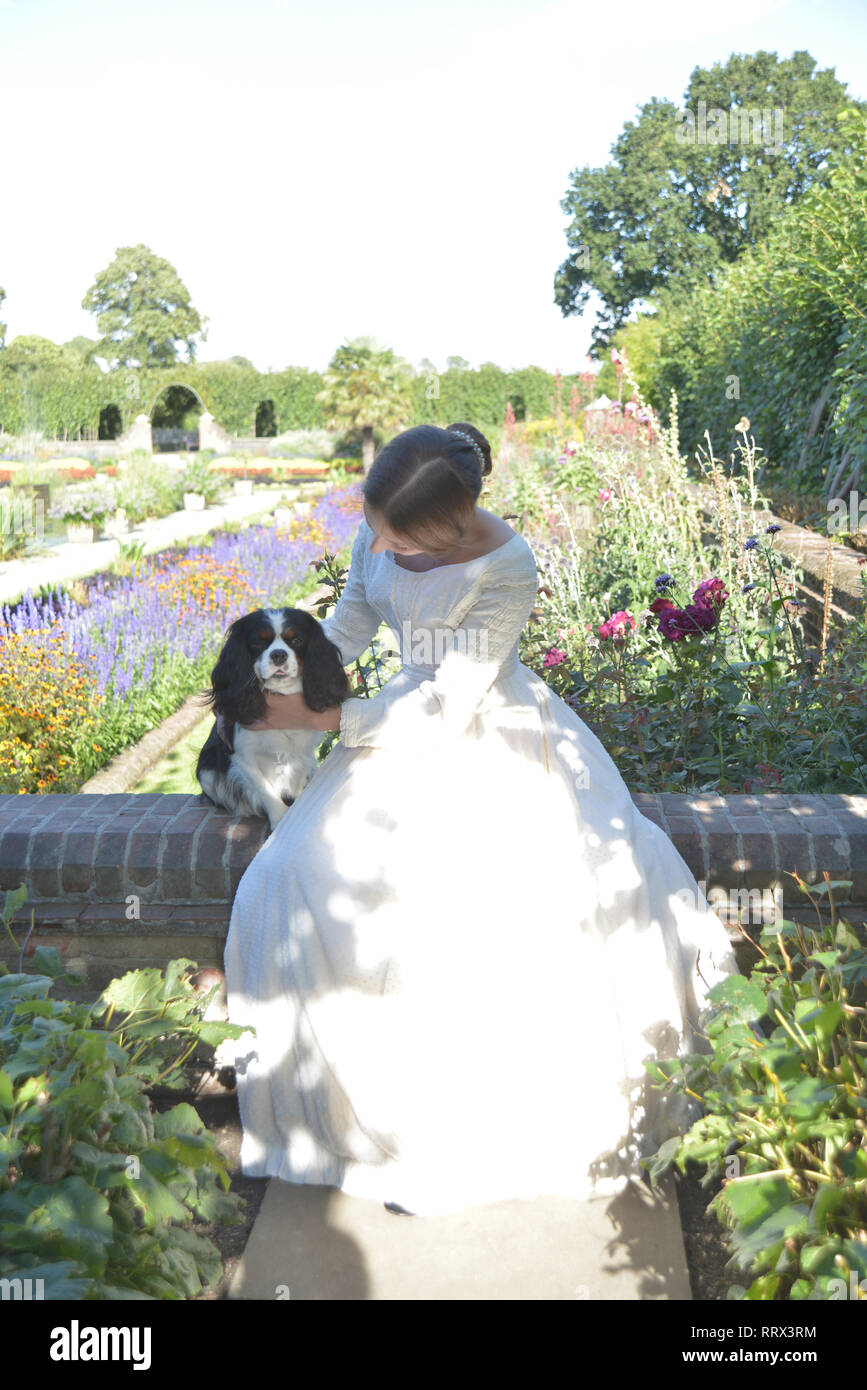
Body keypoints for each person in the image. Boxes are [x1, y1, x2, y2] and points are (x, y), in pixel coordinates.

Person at [222, 421, 740, 1218]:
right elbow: (354, 617)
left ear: (455, 520)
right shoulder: (378, 533)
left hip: (485, 730)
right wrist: (296, 673)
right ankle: (331, 1110)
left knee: (470, 913)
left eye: (401, 535)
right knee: (287, 875)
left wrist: (329, 722)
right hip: (387, 714)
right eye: (375, 527)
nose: (382, 545)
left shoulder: (507, 564)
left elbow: (446, 701)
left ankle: (471, 1123)